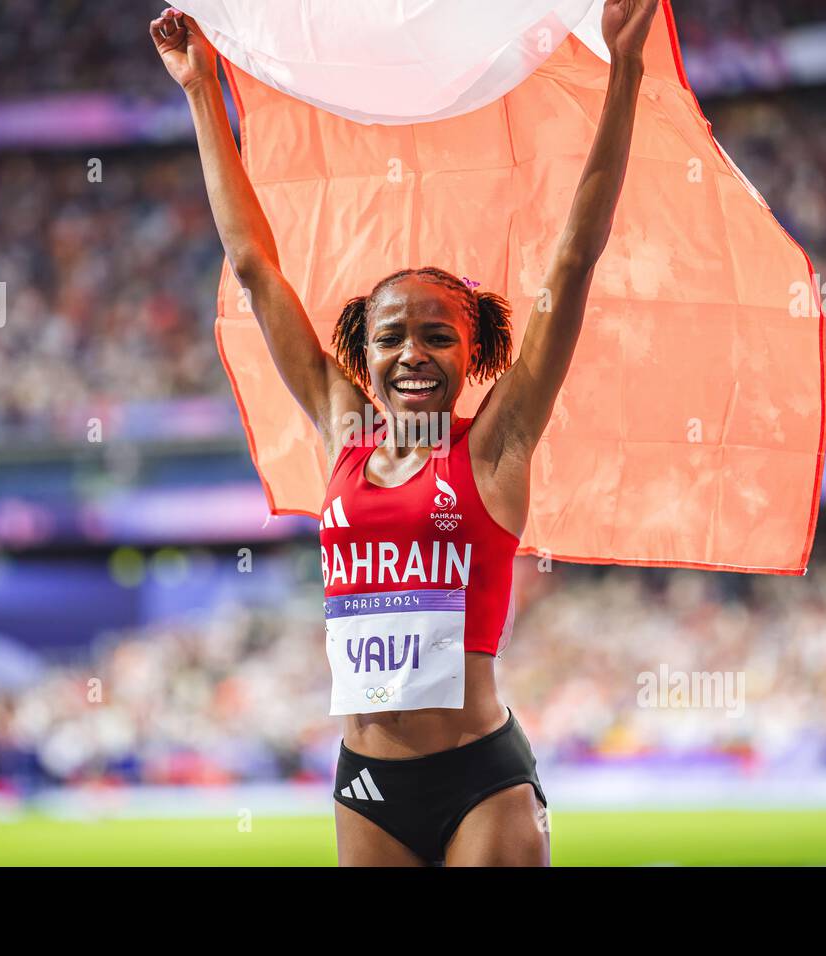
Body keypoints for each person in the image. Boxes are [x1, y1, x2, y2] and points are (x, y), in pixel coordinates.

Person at [150, 0, 657, 866]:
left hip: (481, 782)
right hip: (368, 785)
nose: (412, 352)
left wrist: (626, 72)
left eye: (437, 334)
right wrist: (203, 91)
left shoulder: (494, 447)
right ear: (363, 353)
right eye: (391, 336)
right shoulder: (339, 429)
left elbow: (574, 258)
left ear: (472, 354)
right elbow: (252, 264)